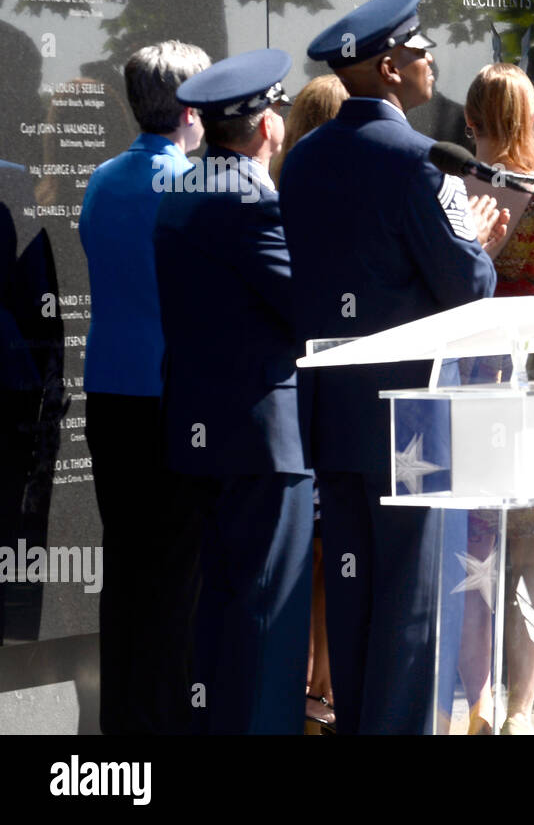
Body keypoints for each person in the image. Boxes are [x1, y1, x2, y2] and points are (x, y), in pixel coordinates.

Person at [278, 0, 505, 735]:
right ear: (390, 69)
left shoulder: (304, 160)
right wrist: (473, 236)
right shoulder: (420, 162)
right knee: (410, 608)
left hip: (334, 420)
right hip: (412, 421)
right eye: (418, 50)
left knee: (353, 596)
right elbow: (468, 283)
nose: (432, 58)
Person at [156, 47, 313, 734]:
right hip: (262, 438)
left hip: (202, 431)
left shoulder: (182, 190)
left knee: (218, 612)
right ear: (264, 125)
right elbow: (304, 306)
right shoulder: (253, 200)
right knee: (265, 623)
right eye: (275, 109)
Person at [79, 39, 210, 734]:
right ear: (191, 108)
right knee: (176, 576)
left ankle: (125, 721)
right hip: (172, 397)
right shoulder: (191, 185)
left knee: (127, 563)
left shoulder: (102, 179)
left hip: (109, 394)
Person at [459, 62, 534, 735]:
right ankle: (523, 711)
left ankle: (477, 704)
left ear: (470, 120)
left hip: (471, 381)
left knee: (475, 555)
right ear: (529, 118)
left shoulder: (449, 190)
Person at [269, 73, 349, 733]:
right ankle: (319, 691)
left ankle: (304, 687)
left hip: (286, 401)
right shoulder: (329, 199)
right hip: (326, 399)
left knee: (305, 552)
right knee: (325, 554)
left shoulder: (278, 194)